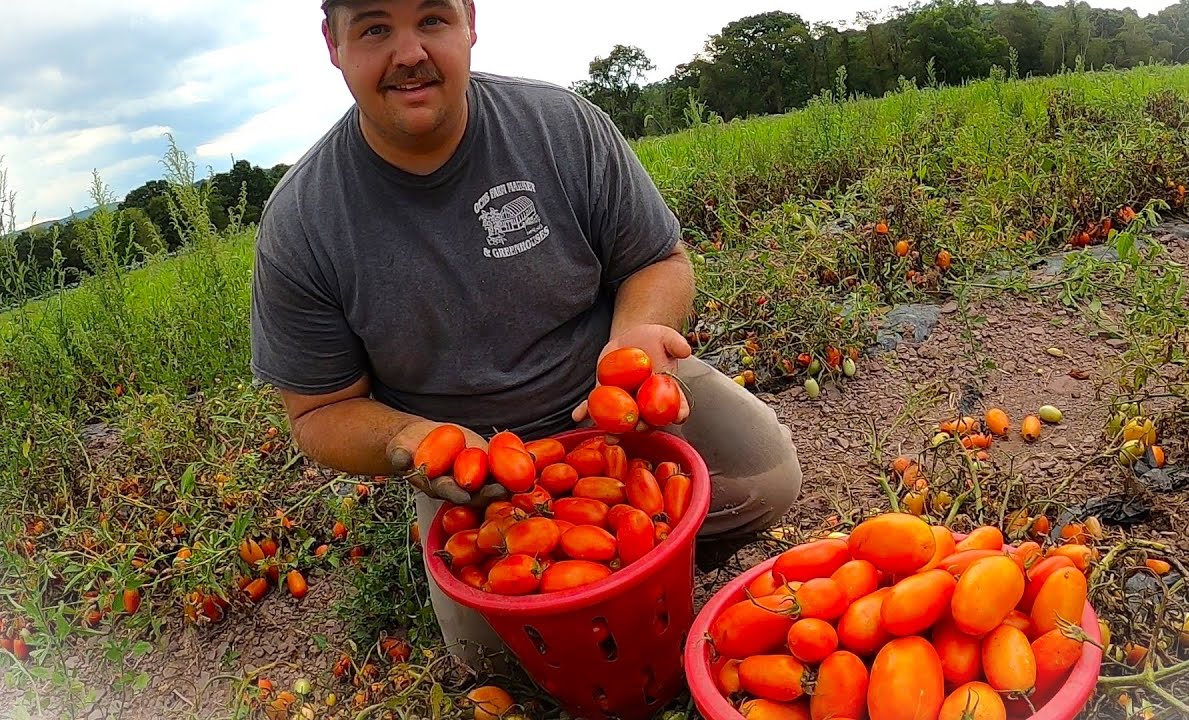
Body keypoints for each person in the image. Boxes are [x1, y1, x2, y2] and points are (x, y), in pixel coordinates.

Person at [249, 0, 802, 667]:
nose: (409, 53)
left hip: (611, 407)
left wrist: (637, 337)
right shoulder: (303, 222)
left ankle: (648, 556)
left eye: (431, 19)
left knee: (765, 480)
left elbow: (658, 259)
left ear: (470, 22)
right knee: (496, 662)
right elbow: (319, 411)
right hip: (475, 470)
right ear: (333, 44)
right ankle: (615, 570)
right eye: (374, 28)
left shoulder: (560, 126)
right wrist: (408, 441)